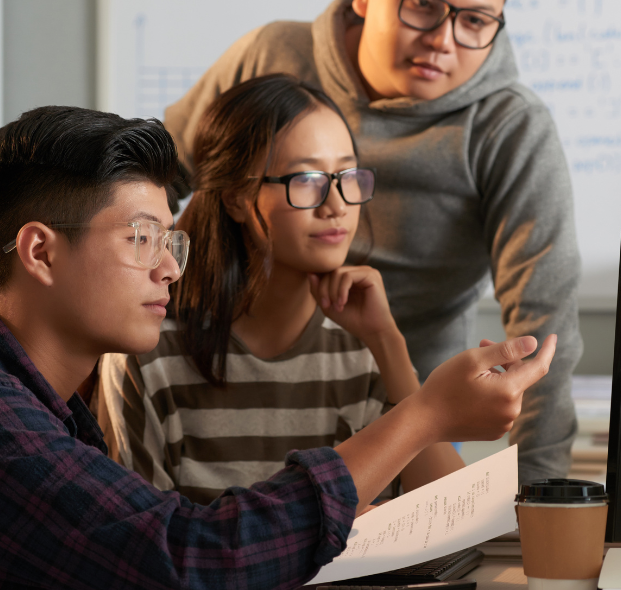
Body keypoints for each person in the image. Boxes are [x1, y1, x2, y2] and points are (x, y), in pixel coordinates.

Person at [0, 105, 552, 590]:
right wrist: (425, 414)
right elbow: (196, 556)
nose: (169, 268)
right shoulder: (12, 426)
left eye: (170, 242)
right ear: (41, 253)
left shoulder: (57, 418)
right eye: (141, 239)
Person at [163, 0, 583, 482]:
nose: (443, 40)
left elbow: (545, 330)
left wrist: (543, 495)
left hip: (403, 408)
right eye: (421, 4)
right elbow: (156, 177)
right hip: (231, 389)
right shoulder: (271, 55)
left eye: (476, 20)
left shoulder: (509, 128)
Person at [99, 74, 463, 503]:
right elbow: (146, 544)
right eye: (306, 179)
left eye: (346, 174)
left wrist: (387, 342)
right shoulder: (149, 349)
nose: (337, 205)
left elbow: (453, 509)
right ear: (236, 195)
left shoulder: (362, 346)